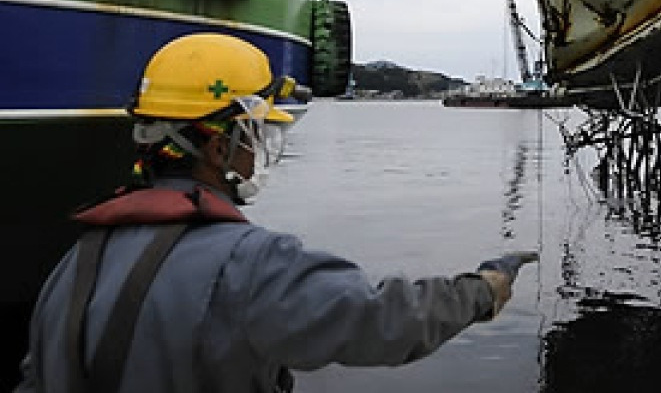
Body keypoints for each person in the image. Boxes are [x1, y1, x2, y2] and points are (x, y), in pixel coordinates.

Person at [16, 33, 534, 392]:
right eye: (257, 135)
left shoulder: (76, 262)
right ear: (219, 149)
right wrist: (483, 289)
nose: (263, 149)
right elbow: (383, 320)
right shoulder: (250, 263)